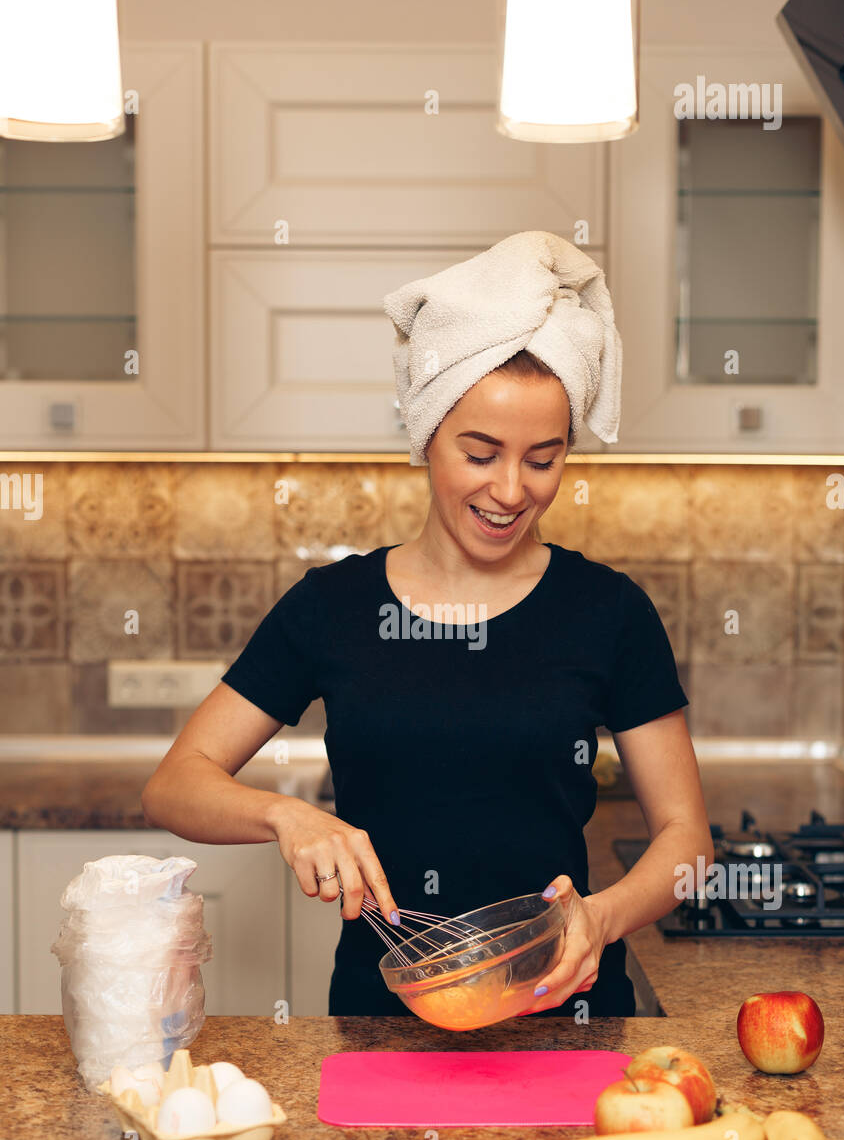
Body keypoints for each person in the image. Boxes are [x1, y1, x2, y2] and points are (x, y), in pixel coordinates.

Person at [141, 231, 713, 1020]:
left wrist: (601, 917)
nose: (510, 489)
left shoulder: (609, 612)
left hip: (569, 1018)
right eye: (480, 453)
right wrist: (286, 814)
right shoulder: (331, 606)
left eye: (543, 459)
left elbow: (687, 839)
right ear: (427, 436)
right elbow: (175, 784)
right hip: (381, 1026)